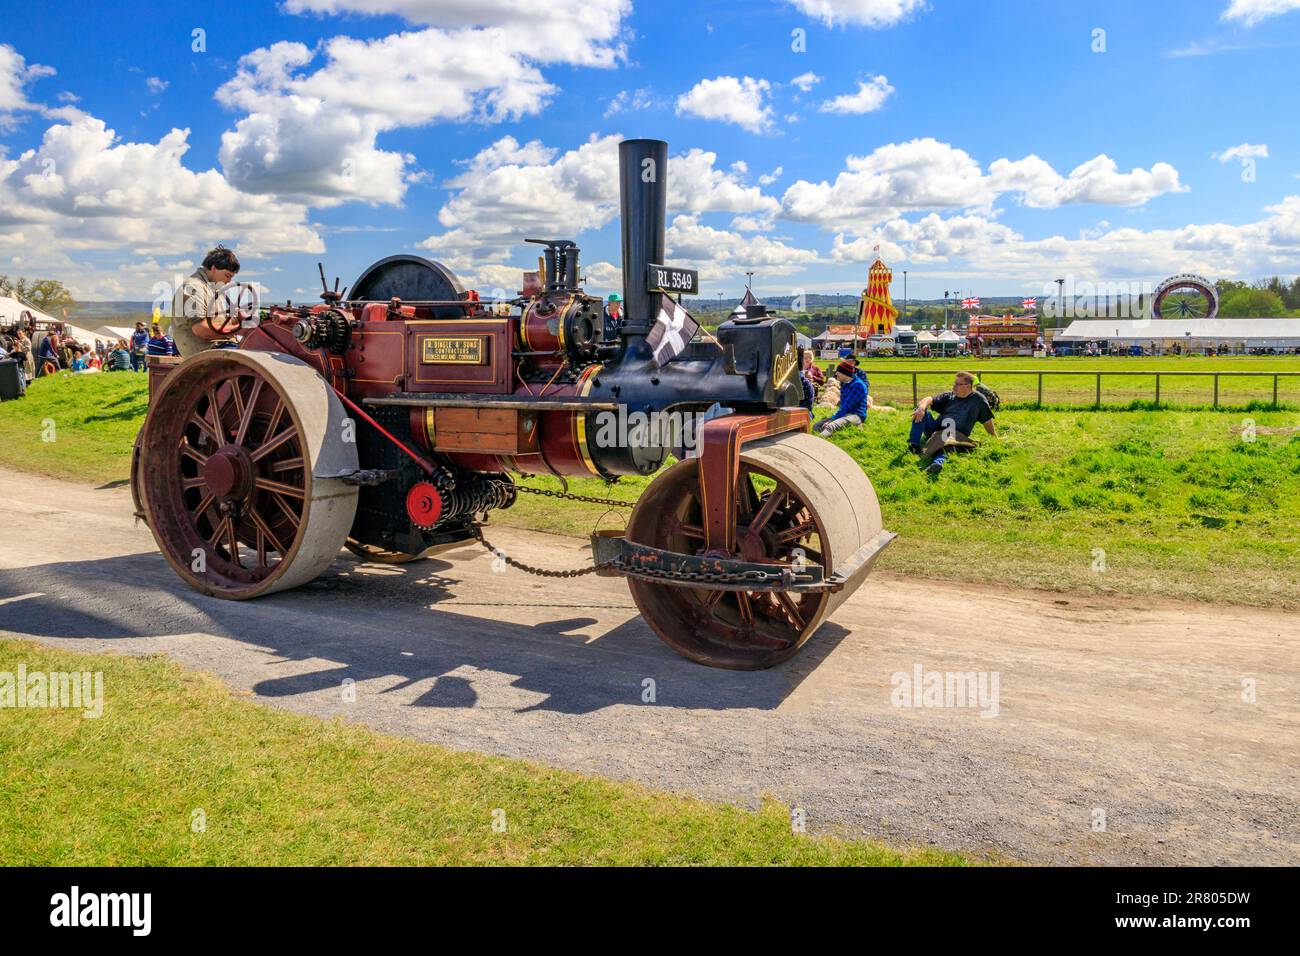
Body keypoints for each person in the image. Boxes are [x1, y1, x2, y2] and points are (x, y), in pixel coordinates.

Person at [908, 370, 997, 475]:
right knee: (920, 411)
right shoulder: (949, 395)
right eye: (954, 383)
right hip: (935, 430)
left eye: (958, 384)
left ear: (968, 386)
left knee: (948, 446)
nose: (954, 386)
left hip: (955, 435)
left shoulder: (978, 401)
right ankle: (914, 445)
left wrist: (994, 437)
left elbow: (987, 420)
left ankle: (937, 464)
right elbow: (929, 399)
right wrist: (921, 408)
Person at [171, 245, 241, 359]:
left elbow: (217, 322)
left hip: (218, 346)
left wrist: (235, 318)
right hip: (204, 351)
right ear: (213, 268)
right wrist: (238, 329)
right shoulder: (193, 288)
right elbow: (201, 330)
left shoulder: (213, 288)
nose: (229, 281)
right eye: (227, 275)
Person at [816, 359, 868, 436]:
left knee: (831, 426)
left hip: (856, 414)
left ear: (845, 373)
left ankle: (818, 443)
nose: (836, 373)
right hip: (845, 413)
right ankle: (847, 427)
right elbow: (843, 405)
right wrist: (833, 418)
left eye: (838, 371)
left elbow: (846, 406)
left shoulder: (858, 385)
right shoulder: (844, 383)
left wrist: (832, 420)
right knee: (816, 426)